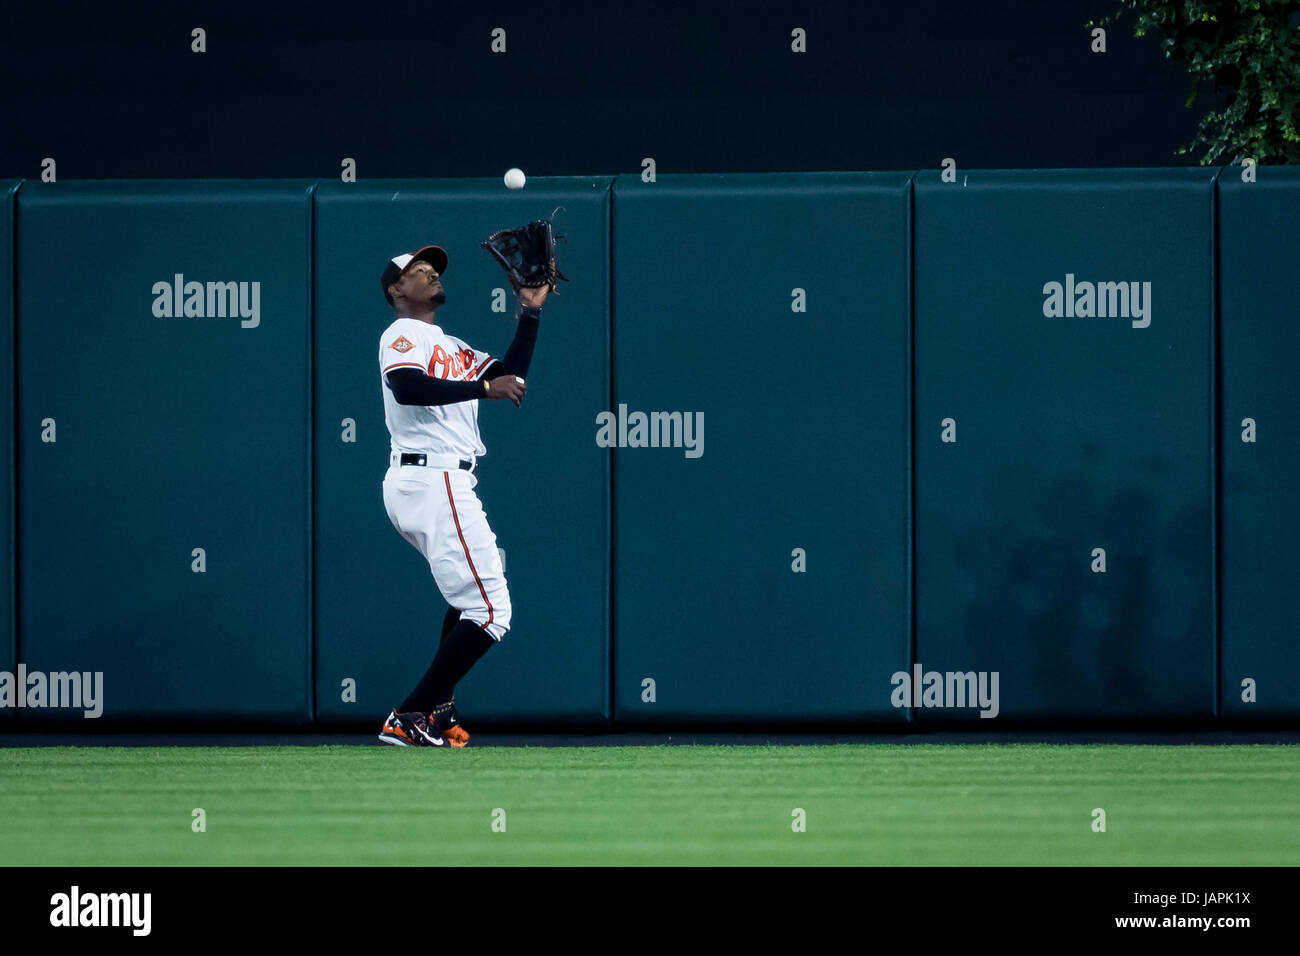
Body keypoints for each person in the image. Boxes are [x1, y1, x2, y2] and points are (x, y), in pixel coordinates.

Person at [373, 244, 547, 747]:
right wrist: (480, 391)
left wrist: (530, 311)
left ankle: (437, 708)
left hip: (439, 482)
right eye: (417, 271)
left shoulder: (451, 344)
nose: (429, 274)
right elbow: (407, 387)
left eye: (432, 270)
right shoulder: (402, 333)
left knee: (468, 597)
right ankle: (410, 714)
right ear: (396, 290)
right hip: (431, 478)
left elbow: (509, 377)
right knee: (492, 611)